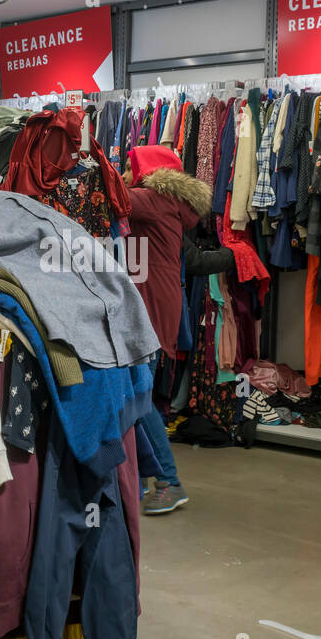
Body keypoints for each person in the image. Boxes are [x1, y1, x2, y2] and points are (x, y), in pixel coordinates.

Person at [121, 145, 218, 515]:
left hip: (149, 312)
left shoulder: (154, 199)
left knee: (138, 399)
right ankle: (141, 478)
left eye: (131, 169)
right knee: (131, 395)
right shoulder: (165, 203)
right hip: (150, 309)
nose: (127, 175)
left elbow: (115, 198)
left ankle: (169, 481)